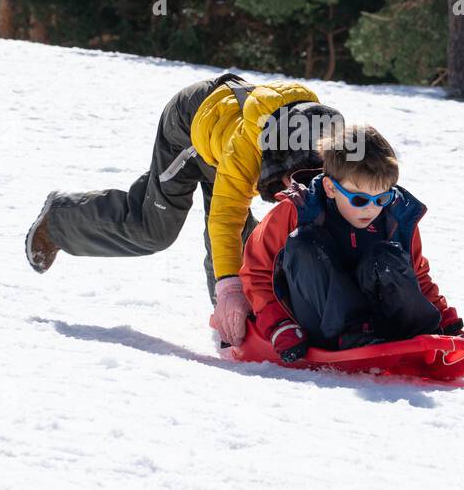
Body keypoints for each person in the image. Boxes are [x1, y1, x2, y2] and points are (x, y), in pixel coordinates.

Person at [24, 70, 343, 345]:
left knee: (250, 242)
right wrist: (229, 289)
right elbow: (224, 221)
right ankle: (59, 221)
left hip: (226, 130)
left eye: (313, 178)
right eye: (296, 178)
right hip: (188, 128)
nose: (302, 187)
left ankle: (242, 320)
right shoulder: (246, 154)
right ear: (278, 162)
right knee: (153, 229)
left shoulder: (323, 141)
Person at [239, 123, 464, 361]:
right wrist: (278, 325)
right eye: (360, 199)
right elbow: (257, 273)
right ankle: (352, 334)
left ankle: (425, 335)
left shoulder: (395, 216)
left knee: (386, 256)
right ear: (330, 188)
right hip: (321, 322)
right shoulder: (297, 210)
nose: (372, 208)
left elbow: (416, 275)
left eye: (382, 198)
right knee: (303, 243)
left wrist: (446, 322)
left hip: (381, 324)